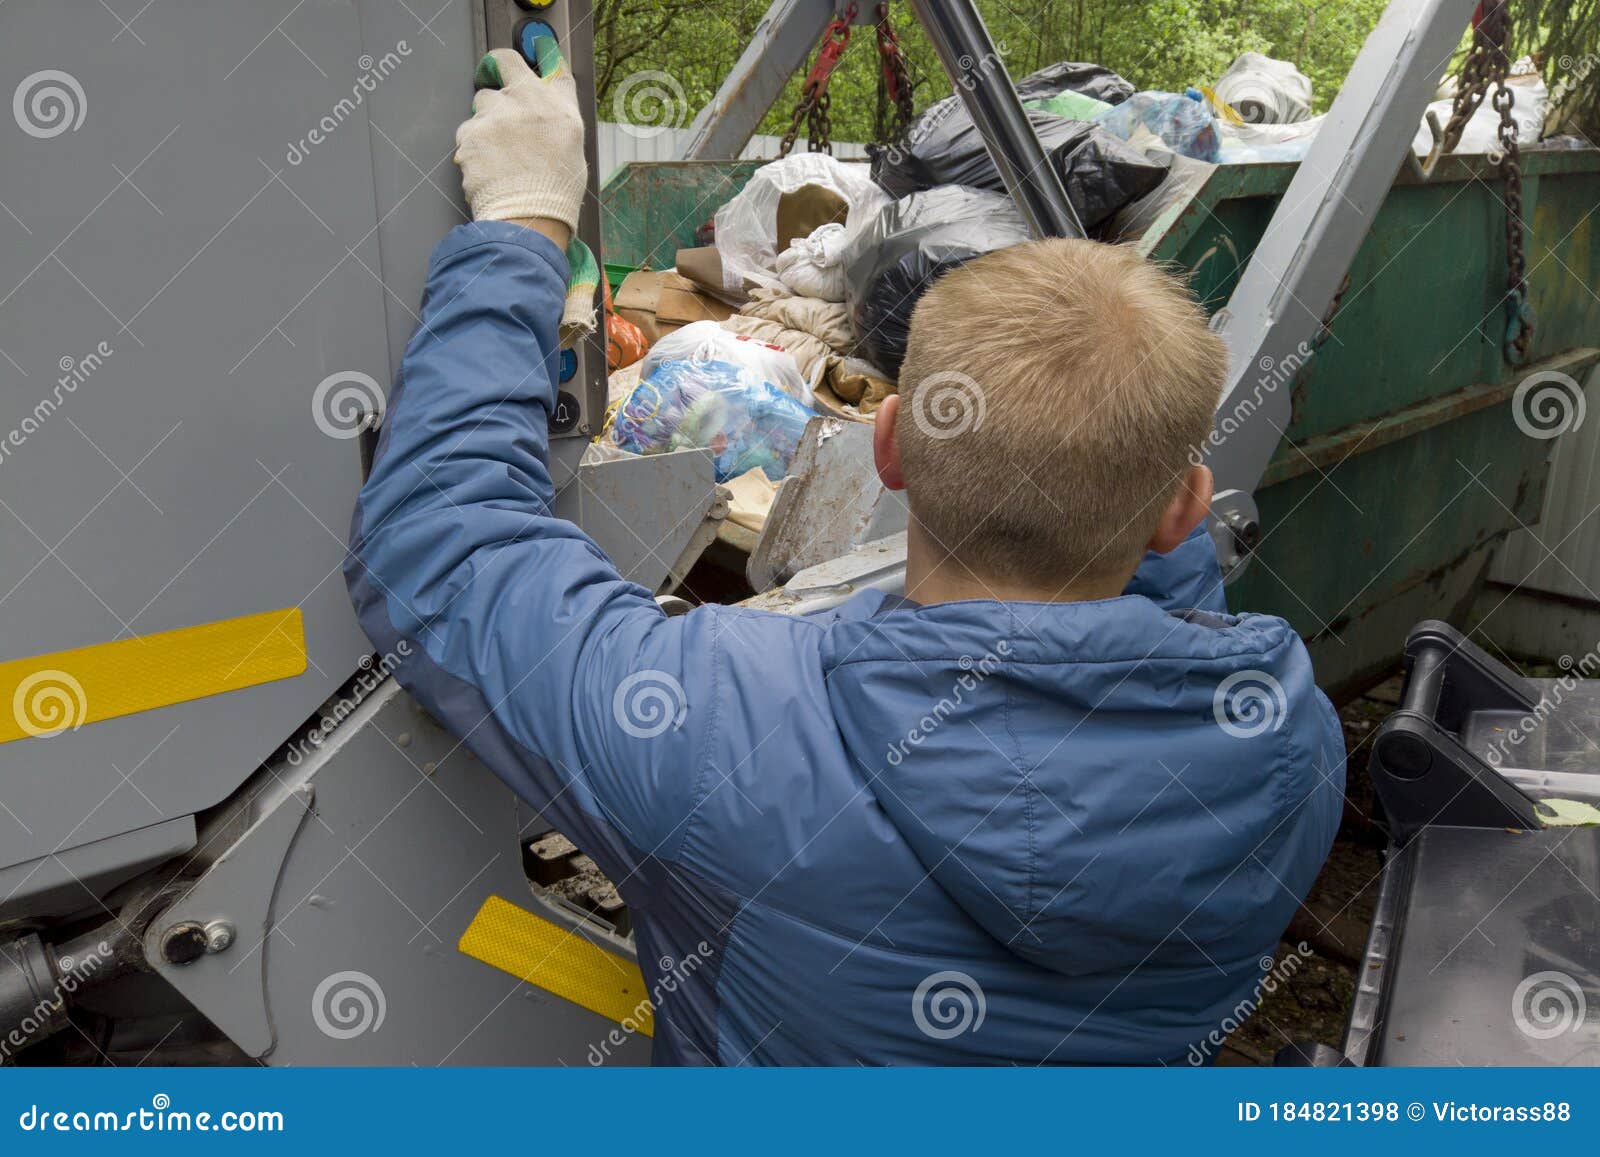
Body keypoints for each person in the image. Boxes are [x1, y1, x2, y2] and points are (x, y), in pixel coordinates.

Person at [345, 44, 1345, 1065]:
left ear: (888, 445)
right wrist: (1125, 480)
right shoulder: (1290, 746)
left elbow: (440, 546)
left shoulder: (722, 733)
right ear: (1185, 508)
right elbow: (1163, 620)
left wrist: (522, 224)